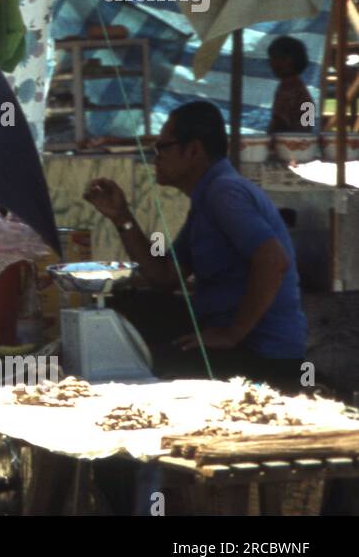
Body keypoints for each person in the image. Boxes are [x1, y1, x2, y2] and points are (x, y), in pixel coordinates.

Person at [84, 101, 307, 391]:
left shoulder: (224, 193)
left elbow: (273, 261)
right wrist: (122, 217)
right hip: (236, 343)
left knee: (140, 370)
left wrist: (232, 333)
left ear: (193, 151)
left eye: (161, 148)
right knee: (137, 317)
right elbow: (165, 276)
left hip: (263, 355)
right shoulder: (206, 199)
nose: (155, 158)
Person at [267, 36, 315, 134]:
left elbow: (306, 130)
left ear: (289, 60)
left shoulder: (300, 96)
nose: (271, 63)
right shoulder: (283, 88)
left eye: (275, 58)